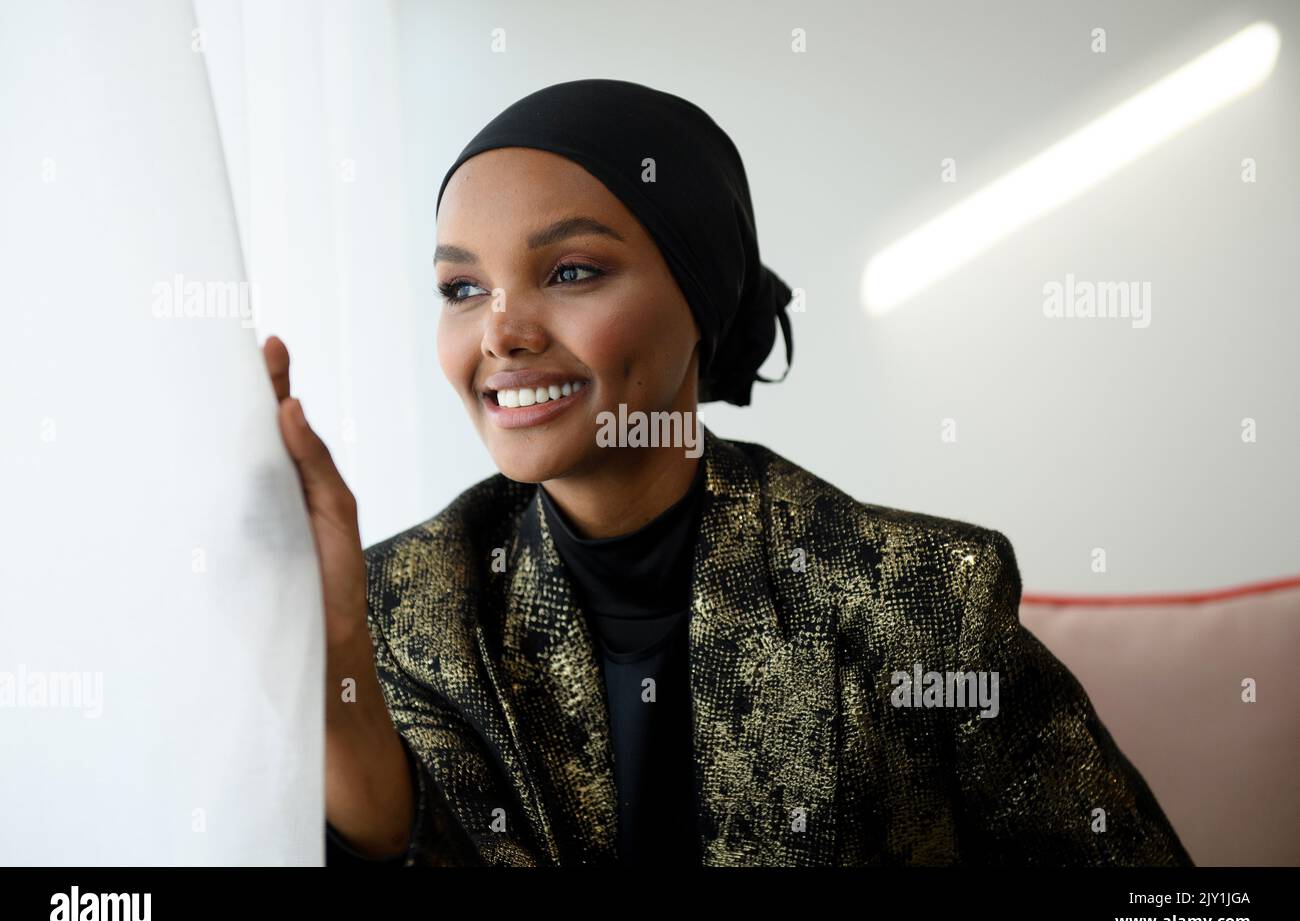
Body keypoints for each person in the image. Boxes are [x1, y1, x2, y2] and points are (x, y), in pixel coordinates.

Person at [263, 78, 1192, 866]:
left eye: (573, 271)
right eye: (462, 289)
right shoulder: (406, 606)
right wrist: (337, 655)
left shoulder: (920, 600)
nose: (500, 331)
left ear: (699, 297)